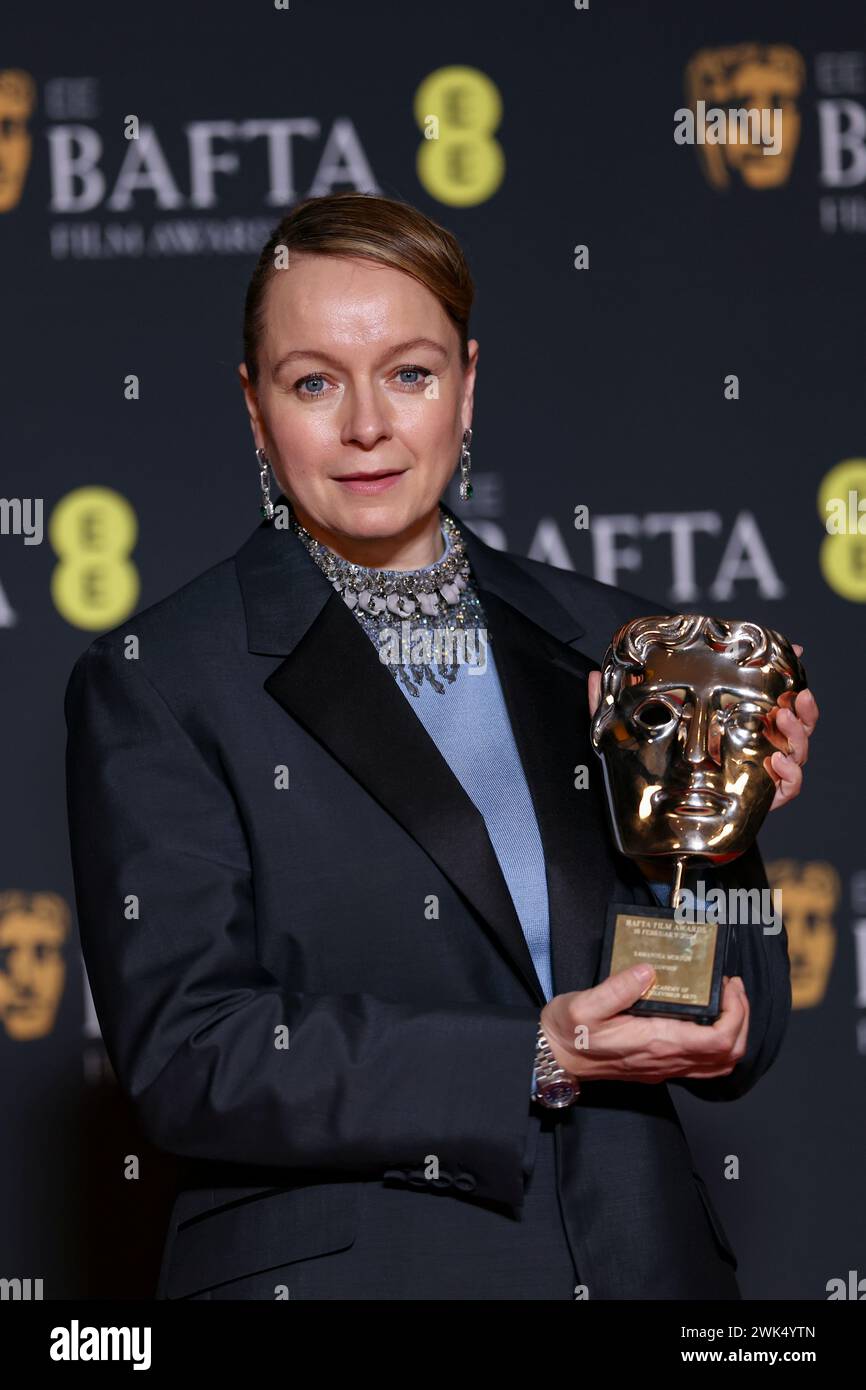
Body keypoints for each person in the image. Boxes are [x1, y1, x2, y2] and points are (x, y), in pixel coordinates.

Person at [64, 191, 819, 1301]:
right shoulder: (165, 677)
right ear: (253, 406)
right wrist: (531, 1052)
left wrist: (710, 836)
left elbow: (726, 1032)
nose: (366, 424)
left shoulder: (614, 641)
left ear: (466, 385)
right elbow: (193, 1054)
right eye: (313, 380)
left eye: (408, 373)